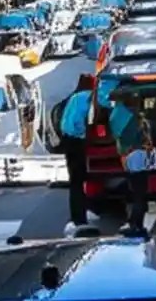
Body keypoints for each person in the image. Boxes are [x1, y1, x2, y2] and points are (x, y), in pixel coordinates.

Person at [109, 89, 156, 235]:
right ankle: (136, 224)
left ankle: (135, 223)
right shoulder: (132, 118)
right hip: (138, 157)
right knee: (140, 193)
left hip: (128, 156)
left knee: (136, 191)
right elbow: (143, 137)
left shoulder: (116, 116)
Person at [58, 75, 94, 233]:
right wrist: (85, 135)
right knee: (80, 180)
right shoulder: (87, 97)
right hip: (77, 141)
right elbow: (81, 121)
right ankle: (79, 217)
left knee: (75, 180)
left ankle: (80, 214)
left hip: (67, 140)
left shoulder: (73, 98)